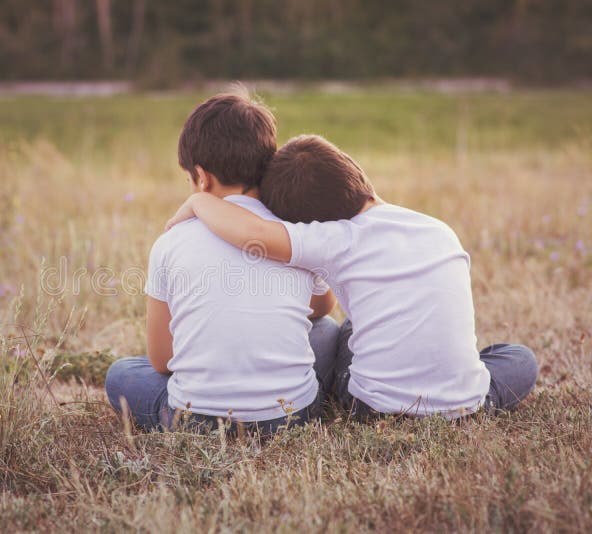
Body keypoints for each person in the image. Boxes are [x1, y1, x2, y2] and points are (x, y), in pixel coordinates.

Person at [166, 134, 538, 419]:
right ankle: (452, 382)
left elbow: (257, 236)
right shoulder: (438, 229)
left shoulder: (334, 238)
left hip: (372, 406)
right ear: (358, 174)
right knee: (519, 358)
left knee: (339, 330)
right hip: (466, 402)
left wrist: (201, 201)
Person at [105, 90, 341, 435]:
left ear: (201, 178)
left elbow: (161, 360)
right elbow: (322, 306)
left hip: (196, 420)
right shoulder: (292, 233)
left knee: (122, 373)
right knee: (326, 329)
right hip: (291, 417)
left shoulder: (171, 242)